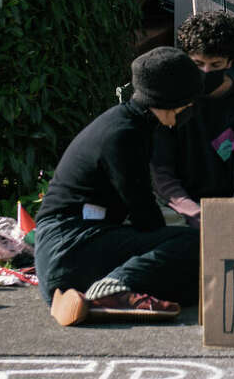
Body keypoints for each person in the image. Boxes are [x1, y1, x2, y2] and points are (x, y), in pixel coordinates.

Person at [34, 46, 202, 326]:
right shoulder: (123, 136)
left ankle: (94, 298)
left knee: (195, 281)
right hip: (69, 249)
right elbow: (145, 217)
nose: (189, 110)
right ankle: (113, 287)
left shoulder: (128, 123)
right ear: (172, 100)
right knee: (193, 246)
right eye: (187, 103)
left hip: (66, 253)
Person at [151, 10, 234, 227]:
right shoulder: (171, 102)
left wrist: (230, 215)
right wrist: (193, 213)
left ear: (230, 62)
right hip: (180, 209)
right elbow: (161, 172)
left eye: (215, 65)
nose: (206, 71)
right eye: (198, 64)